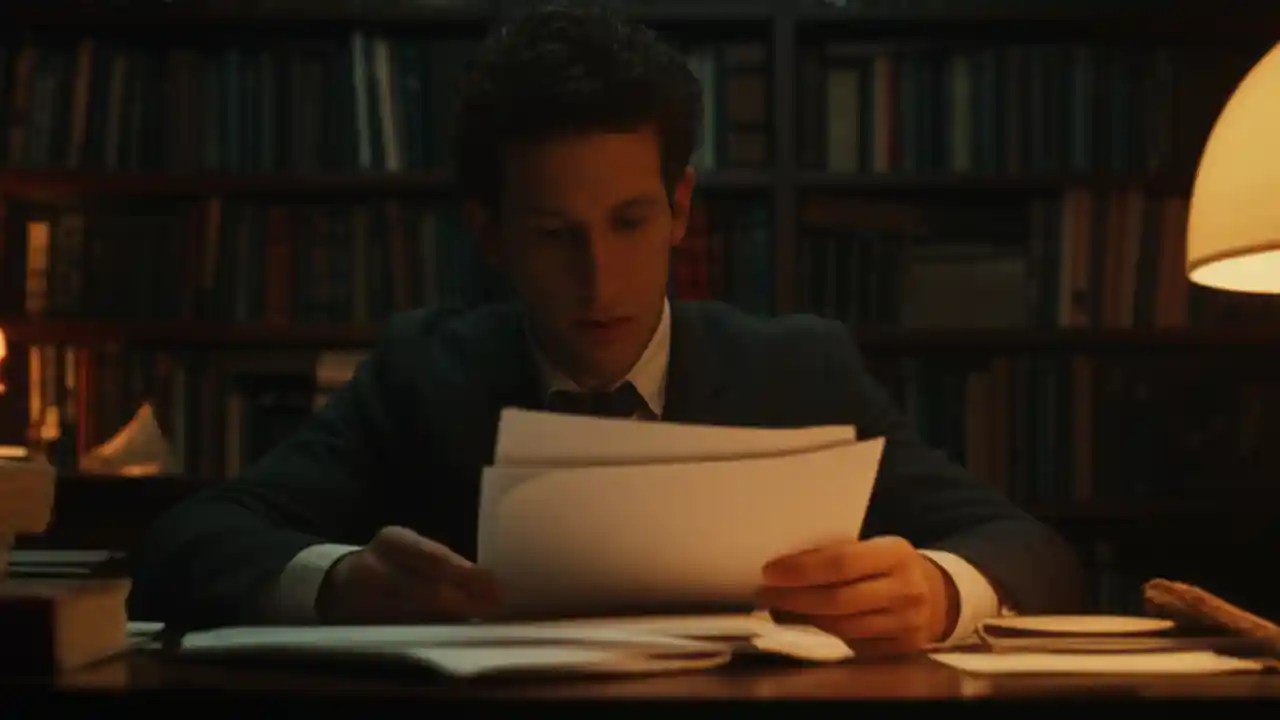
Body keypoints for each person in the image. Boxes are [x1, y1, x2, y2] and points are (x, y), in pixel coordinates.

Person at [128, 3, 1085, 657]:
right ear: (490, 234)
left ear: (680, 211)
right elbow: (189, 542)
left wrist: (940, 589)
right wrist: (337, 583)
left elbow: (1028, 545)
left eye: (630, 223)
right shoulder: (427, 373)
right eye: (554, 236)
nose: (599, 279)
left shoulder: (798, 368)